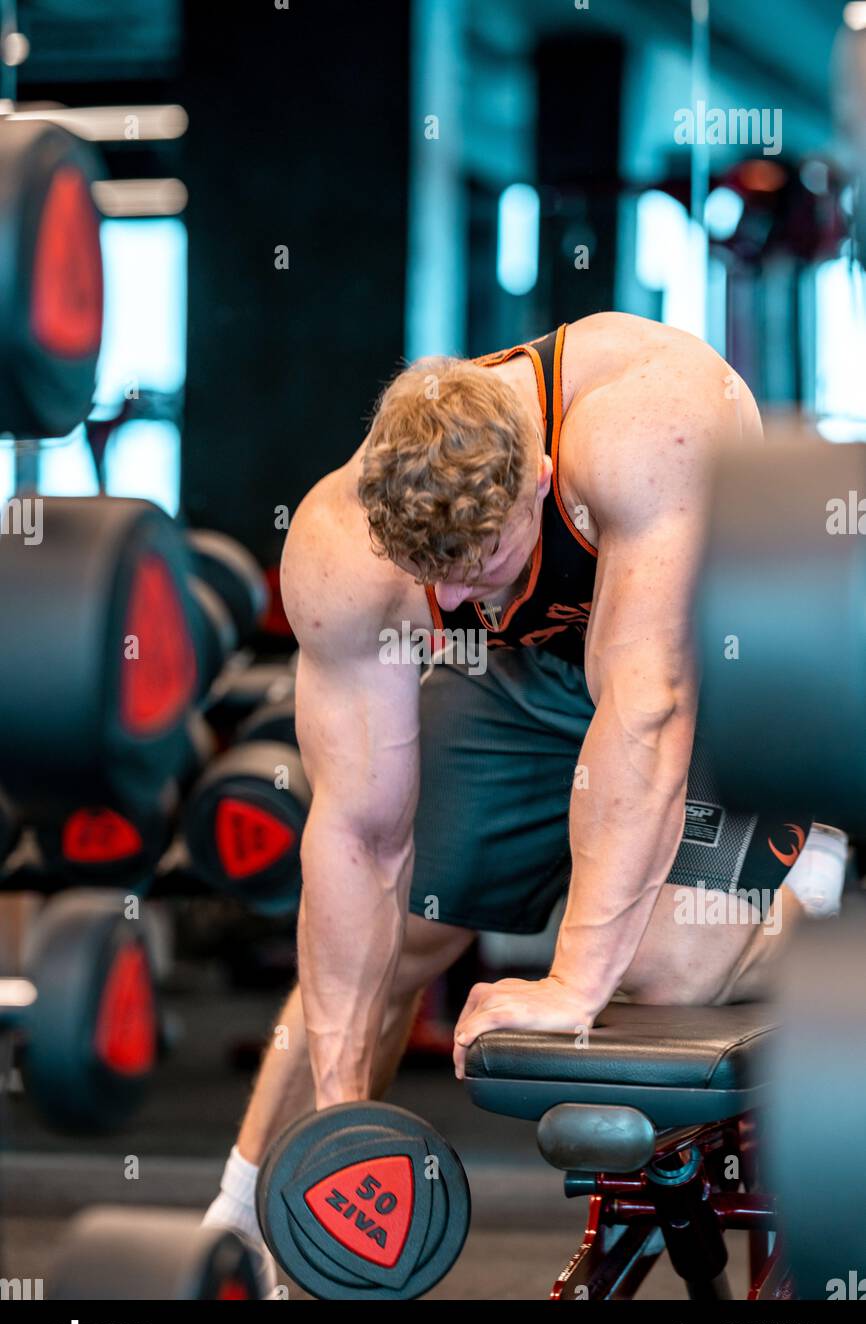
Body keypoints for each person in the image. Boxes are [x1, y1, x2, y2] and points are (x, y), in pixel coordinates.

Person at [205, 311, 825, 1257]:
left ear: (537, 481)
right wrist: (338, 1134)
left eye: (480, 565)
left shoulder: (646, 430)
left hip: (728, 658)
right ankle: (247, 1211)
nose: (450, 603)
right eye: (431, 579)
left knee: (657, 969)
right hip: (539, 666)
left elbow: (645, 712)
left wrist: (575, 981)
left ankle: (806, 890)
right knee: (402, 923)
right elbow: (359, 837)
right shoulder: (344, 542)